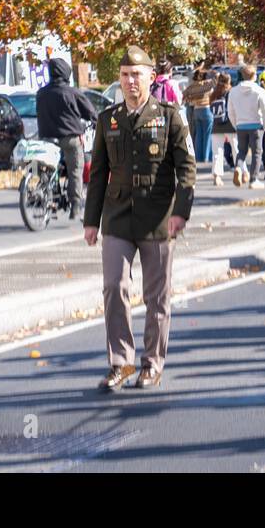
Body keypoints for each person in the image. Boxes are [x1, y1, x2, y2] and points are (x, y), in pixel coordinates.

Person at [84, 46, 197, 391]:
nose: (130, 81)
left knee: (156, 296)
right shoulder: (109, 119)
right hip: (117, 216)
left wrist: (181, 212)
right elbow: (98, 172)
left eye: (137, 75)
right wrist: (91, 221)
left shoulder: (170, 116)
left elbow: (187, 169)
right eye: (124, 75)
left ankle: (152, 363)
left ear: (151, 77)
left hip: (157, 216)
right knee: (114, 288)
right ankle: (120, 362)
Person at [35, 57, 99, 220]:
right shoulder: (72, 93)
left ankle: (49, 193)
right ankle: (75, 204)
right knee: (75, 170)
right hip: (69, 137)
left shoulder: (41, 93)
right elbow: (91, 113)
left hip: (47, 138)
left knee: (47, 168)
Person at [228, 65, 265, 188]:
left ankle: (238, 167)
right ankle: (254, 180)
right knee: (256, 153)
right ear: (254, 76)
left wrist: (236, 124)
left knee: (241, 151)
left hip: (240, 125)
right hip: (255, 125)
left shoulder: (233, 91)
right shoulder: (259, 91)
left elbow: (230, 111)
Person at [181, 63, 216, 164]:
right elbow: (216, 80)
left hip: (196, 110)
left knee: (198, 135)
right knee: (207, 134)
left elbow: (184, 95)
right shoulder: (207, 85)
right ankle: (206, 158)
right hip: (206, 110)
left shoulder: (192, 87)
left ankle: (198, 157)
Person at [208, 72, 236, 186]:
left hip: (216, 124)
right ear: (229, 81)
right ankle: (241, 170)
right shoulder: (231, 92)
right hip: (229, 123)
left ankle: (217, 176)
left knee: (217, 151)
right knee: (236, 148)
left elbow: (211, 108)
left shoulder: (214, 93)